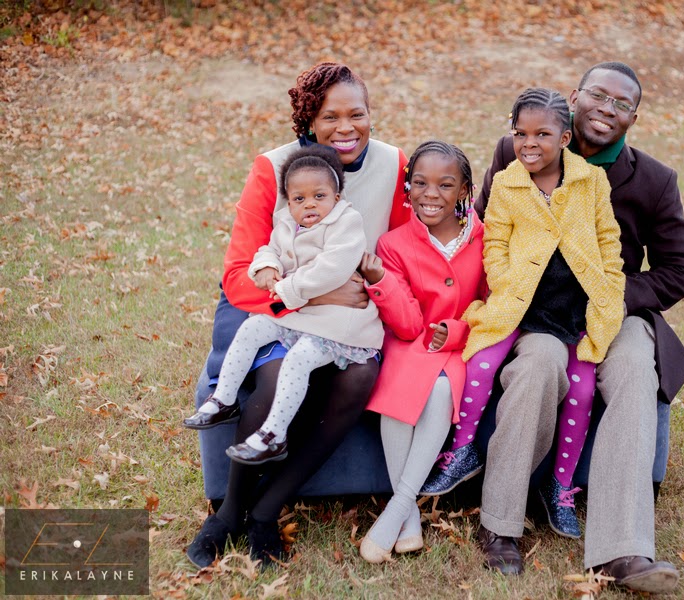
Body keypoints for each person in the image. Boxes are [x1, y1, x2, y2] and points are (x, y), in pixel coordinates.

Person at [473, 62, 684, 594]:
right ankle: (498, 525)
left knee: (635, 371)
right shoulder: (523, 148)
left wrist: (615, 297)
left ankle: (622, 549)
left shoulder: (654, 181)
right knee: (539, 365)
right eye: (597, 94)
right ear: (575, 97)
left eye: (621, 103)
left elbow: (681, 269)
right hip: (539, 309)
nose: (606, 107)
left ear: (633, 117)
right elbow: (483, 229)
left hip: (611, 309)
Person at [187, 62, 409, 568]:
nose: (346, 128)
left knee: (358, 381)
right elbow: (240, 272)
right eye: (331, 116)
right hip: (283, 305)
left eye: (358, 114)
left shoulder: (393, 165)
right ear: (309, 120)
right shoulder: (275, 166)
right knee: (273, 380)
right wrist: (319, 297)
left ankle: (266, 512)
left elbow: (402, 251)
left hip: (355, 317)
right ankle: (228, 515)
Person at [419, 88, 625, 542]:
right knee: (483, 360)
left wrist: (609, 284)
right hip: (518, 299)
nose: (529, 143)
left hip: (572, 306)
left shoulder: (590, 182)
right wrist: (505, 277)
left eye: (542, 134)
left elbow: (608, 239)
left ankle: (561, 485)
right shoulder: (509, 182)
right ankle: (462, 450)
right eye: (520, 133)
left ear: (566, 137)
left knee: (583, 388)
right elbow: (494, 240)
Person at [183, 145, 383, 465]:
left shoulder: (347, 223)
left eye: (319, 195)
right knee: (252, 328)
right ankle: (223, 399)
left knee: (299, 358)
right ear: (289, 201)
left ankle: (274, 435)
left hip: (340, 323)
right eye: (299, 199)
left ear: (337, 196)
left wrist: (287, 287)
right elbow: (269, 248)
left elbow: (333, 268)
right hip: (303, 313)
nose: (310, 205)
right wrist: (265, 267)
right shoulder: (287, 222)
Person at [356, 140, 486, 563]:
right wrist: (381, 280)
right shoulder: (393, 244)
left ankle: (397, 507)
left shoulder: (484, 237)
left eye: (445, 185)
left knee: (442, 391)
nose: (431, 194)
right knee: (399, 398)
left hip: (457, 345)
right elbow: (408, 323)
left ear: (465, 189)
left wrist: (459, 329)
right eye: (420, 183)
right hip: (409, 345)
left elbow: (494, 301)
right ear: (407, 189)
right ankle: (408, 520)